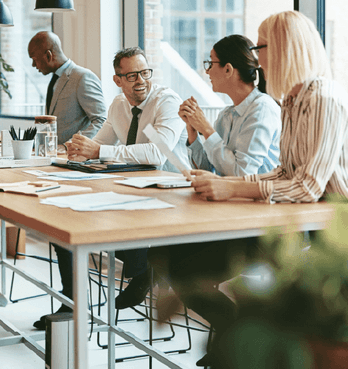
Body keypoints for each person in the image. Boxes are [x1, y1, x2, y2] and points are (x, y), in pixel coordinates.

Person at [157, 10, 348, 367]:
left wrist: (231, 188)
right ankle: (237, 348)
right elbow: (284, 172)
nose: (257, 58)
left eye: (261, 47)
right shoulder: (294, 100)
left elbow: (307, 186)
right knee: (186, 264)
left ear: (282, 49)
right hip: (314, 223)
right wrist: (226, 184)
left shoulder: (323, 98)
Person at [32, 47, 189, 330]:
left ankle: (145, 268)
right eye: (131, 75)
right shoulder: (118, 105)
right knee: (65, 220)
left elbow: (157, 154)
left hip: (171, 191)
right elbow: (99, 143)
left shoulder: (166, 102)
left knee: (104, 218)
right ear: (118, 80)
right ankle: (74, 302)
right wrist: (73, 151)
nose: (140, 80)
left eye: (144, 73)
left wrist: (99, 150)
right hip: (133, 187)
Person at [180, 34, 281, 177]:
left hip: (255, 198)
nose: (207, 71)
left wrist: (206, 128)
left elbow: (242, 174)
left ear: (228, 69)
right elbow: (207, 171)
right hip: (230, 197)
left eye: (211, 63)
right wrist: (192, 130)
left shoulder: (262, 109)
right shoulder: (226, 115)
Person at [27, 31, 107, 146]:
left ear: (49, 55)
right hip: (55, 157)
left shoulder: (82, 77)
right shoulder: (55, 79)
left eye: (34, 59)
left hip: (74, 157)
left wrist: (69, 146)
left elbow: (102, 121)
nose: (33, 65)